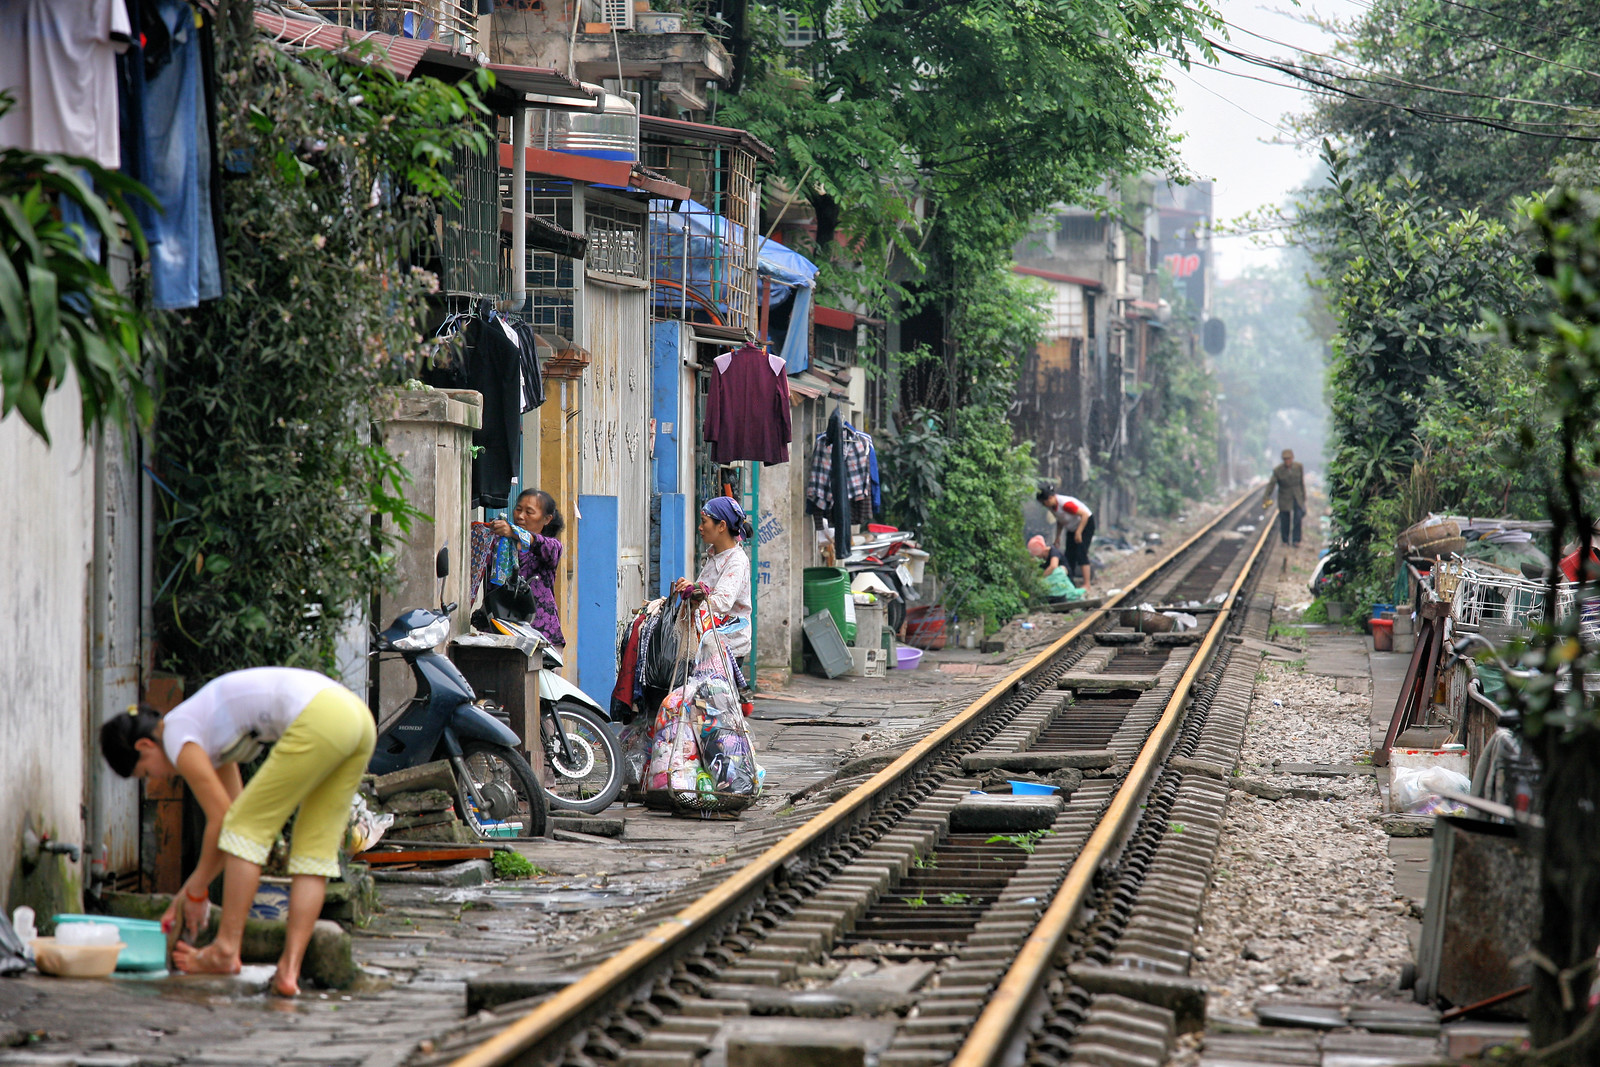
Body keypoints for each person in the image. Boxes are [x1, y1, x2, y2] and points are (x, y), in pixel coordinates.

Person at [98, 668, 376, 996]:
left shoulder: (176, 735)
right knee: (312, 852)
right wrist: (190, 893)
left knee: (247, 829)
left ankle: (226, 950)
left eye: (145, 772)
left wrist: (197, 892)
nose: (155, 777)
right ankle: (288, 972)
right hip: (356, 719)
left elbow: (228, 826)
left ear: (145, 745)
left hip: (324, 717)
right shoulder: (203, 734)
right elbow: (230, 824)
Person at [673, 496, 755, 661]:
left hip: (727, 649)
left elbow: (722, 602)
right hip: (710, 645)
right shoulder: (714, 555)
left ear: (722, 526)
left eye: (704, 522)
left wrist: (695, 589)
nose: (700, 527)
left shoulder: (736, 561)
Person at [486, 488, 566, 646]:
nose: (520, 516)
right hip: (500, 633)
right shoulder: (498, 545)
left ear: (547, 519)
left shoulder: (551, 547)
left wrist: (513, 532)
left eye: (529, 512)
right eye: (518, 509)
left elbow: (539, 544)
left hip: (541, 636)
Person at [1035, 487, 1096, 593]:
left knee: (1081, 553)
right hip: (1072, 528)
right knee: (1069, 556)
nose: (1044, 506)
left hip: (1085, 525)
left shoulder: (1066, 504)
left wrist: (1079, 532)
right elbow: (1060, 520)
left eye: (1044, 503)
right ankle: (1070, 584)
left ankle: (1087, 584)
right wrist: (1058, 536)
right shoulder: (1052, 507)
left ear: (1050, 498)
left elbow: (1084, 515)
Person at [1263, 449, 1307, 547]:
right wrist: (1266, 496)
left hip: (1297, 496)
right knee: (1285, 519)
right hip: (1284, 496)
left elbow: (1301, 483)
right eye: (1285, 459)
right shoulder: (1278, 470)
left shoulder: (1298, 467)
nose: (1287, 461)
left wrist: (1304, 496)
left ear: (1292, 458)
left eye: (1289, 459)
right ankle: (1285, 540)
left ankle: (1296, 540)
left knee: (1298, 518)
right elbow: (1271, 484)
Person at [1028, 534, 1082, 603]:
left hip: (1063, 580)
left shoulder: (1054, 552)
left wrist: (1041, 578)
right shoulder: (1041, 559)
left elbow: (1053, 566)